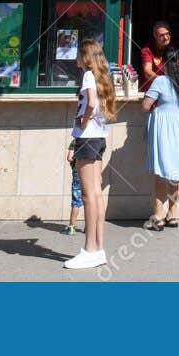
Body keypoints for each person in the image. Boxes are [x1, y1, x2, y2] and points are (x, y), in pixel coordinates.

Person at [65, 37, 116, 269]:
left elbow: (91, 103)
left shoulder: (87, 75)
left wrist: (83, 122)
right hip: (99, 137)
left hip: (87, 137)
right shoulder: (102, 76)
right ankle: (98, 248)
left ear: (85, 57)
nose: (75, 58)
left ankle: (89, 249)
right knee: (96, 193)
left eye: (78, 54)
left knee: (88, 194)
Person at [140, 47, 179, 230]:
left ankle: (158, 217)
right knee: (175, 173)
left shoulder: (160, 81)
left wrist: (155, 105)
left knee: (160, 173)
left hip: (163, 130)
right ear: (178, 62)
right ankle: (172, 215)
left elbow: (145, 106)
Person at [139, 21, 173, 93]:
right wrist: (164, 82)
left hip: (168, 93)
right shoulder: (147, 50)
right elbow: (147, 72)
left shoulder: (173, 48)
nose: (166, 38)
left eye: (167, 34)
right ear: (155, 35)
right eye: (162, 35)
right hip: (150, 92)